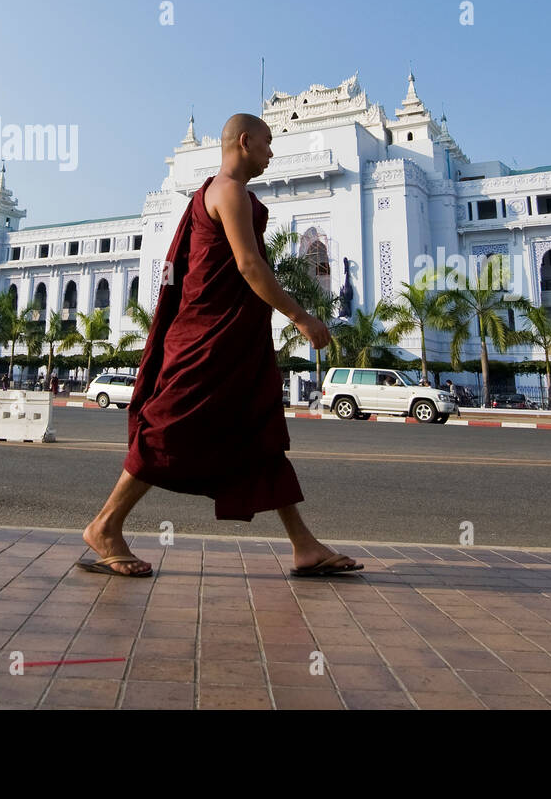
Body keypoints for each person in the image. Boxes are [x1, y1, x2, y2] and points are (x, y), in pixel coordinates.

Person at [80, 113, 362, 578]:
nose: (272, 154)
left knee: (259, 435)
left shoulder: (225, 193)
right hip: (206, 340)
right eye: (268, 144)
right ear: (245, 142)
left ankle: (304, 545)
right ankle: (106, 524)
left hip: (233, 341)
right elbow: (250, 267)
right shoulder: (229, 192)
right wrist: (301, 317)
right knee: (168, 426)